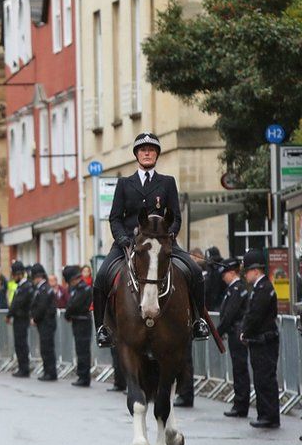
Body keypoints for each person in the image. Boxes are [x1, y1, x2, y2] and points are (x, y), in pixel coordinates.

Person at [92, 132, 210, 348]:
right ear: (137, 154)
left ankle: (197, 321)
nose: (147, 153)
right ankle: (102, 328)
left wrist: (170, 235)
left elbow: (175, 216)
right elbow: (115, 218)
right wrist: (123, 240)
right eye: (143, 150)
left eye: (151, 150)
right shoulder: (124, 184)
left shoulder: (167, 182)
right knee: (101, 277)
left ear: (156, 155)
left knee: (194, 271)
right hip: (129, 243)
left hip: (162, 241)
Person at [240, 249, 280, 429]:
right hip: (259, 341)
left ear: (256, 270)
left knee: (265, 379)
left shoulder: (264, 288)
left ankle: (269, 416)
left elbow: (255, 315)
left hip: (264, 341)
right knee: (260, 379)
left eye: (247, 271)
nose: (245, 275)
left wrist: (245, 332)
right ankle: (265, 414)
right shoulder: (260, 288)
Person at [215, 257, 249, 418]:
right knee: (238, 370)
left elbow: (230, 315)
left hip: (237, 334)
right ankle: (239, 403)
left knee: (240, 370)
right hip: (235, 333)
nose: (223, 277)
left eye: (225, 274)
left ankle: (241, 405)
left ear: (232, 272)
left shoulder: (237, 289)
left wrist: (217, 333)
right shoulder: (234, 289)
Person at [63, 265, 93, 387]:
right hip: (78, 321)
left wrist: (67, 314)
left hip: (83, 322)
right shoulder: (77, 289)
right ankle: (82, 375)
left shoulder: (83, 289)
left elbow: (73, 304)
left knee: (83, 350)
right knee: (80, 350)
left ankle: (84, 376)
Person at [30, 264, 57, 381]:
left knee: (47, 349)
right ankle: (48, 371)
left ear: (38, 277)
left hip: (46, 323)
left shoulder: (44, 289)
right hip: (45, 323)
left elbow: (42, 306)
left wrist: (35, 318)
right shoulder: (42, 288)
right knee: (46, 348)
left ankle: (50, 373)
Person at [6, 261, 33, 377]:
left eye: (14, 275)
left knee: (21, 344)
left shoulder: (25, 287)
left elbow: (17, 303)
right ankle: (22, 367)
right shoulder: (21, 286)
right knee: (19, 344)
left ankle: (24, 368)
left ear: (19, 274)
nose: (13, 277)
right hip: (19, 319)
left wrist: (9, 315)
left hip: (22, 319)